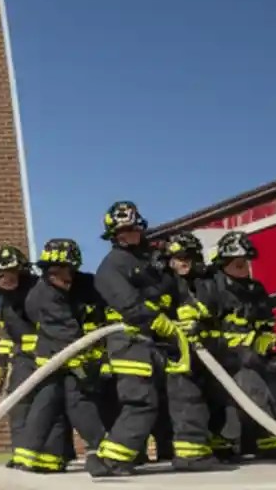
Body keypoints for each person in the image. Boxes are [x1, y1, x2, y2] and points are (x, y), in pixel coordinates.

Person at [89, 201, 218, 476]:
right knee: (141, 400)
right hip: (130, 341)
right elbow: (128, 303)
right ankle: (112, 460)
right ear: (113, 236)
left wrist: (186, 312)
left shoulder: (154, 259)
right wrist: (158, 322)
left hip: (165, 341)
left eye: (132, 229)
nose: (128, 235)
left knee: (185, 391)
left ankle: (191, 454)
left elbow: (177, 290)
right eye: (122, 232)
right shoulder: (110, 268)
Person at [203, 231, 276, 460]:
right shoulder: (210, 289)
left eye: (246, 264)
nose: (245, 269)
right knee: (251, 380)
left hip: (251, 354)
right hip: (222, 359)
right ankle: (265, 440)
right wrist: (245, 342)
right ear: (224, 264)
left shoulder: (254, 289)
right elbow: (208, 333)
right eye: (239, 265)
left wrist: (266, 337)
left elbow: (265, 320)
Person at [15, 239, 107, 473]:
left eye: (66, 271)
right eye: (53, 272)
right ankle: (28, 456)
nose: (61, 277)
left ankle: (51, 458)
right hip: (55, 358)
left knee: (65, 403)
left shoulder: (84, 284)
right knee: (54, 402)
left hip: (71, 356)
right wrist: (86, 363)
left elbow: (97, 307)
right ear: (46, 271)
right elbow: (68, 334)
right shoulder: (43, 297)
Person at [0, 244, 65, 469]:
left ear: (20, 269)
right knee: (18, 404)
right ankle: (22, 455)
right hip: (23, 359)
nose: (3, 280)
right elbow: (7, 334)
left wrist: (47, 354)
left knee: (48, 405)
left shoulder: (39, 291)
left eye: (7, 274)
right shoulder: (1, 299)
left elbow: (56, 326)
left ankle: (51, 459)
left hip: (49, 357)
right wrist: (0, 367)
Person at [167, 232, 237, 463]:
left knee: (218, 400)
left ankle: (218, 443)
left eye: (186, 257)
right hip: (181, 354)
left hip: (212, 351)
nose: (182, 262)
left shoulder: (209, 280)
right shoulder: (166, 283)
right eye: (176, 258)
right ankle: (190, 453)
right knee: (187, 399)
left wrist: (202, 313)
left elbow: (224, 305)